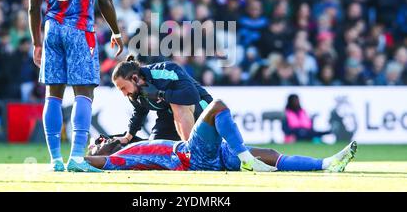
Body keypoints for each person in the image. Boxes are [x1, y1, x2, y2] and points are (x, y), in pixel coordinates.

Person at [28, 0, 124, 172]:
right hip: (80, 29)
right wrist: (115, 31)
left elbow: (33, 8)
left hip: (52, 30)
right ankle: (77, 159)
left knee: (53, 95)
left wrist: (37, 42)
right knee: (84, 93)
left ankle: (55, 160)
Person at [85, 99, 357, 172]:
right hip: (192, 155)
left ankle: (327, 164)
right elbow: (96, 161)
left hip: (204, 155)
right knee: (218, 107)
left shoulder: (126, 147)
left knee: (271, 155)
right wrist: (79, 158)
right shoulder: (120, 159)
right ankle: (244, 157)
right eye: (97, 145)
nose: (102, 140)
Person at [111, 55, 213, 144]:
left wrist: (160, 94)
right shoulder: (133, 92)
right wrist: (127, 137)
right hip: (170, 116)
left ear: (134, 78)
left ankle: (191, 153)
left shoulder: (167, 69)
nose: (124, 94)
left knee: (176, 104)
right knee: (153, 150)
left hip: (203, 109)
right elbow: (139, 112)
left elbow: (192, 96)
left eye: (123, 88)